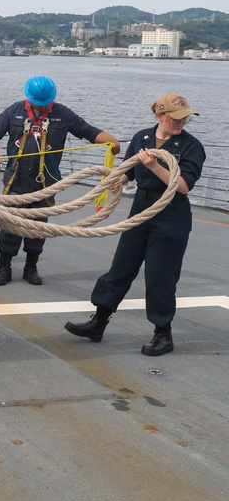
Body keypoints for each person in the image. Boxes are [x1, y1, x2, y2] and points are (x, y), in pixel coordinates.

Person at [65, 93, 205, 357]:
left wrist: (154, 166)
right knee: (120, 268)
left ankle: (163, 334)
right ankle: (98, 322)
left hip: (170, 214)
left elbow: (183, 186)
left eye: (185, 117)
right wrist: (122, 181)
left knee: (160, 277)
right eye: (176, 118)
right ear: (160, 116)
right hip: (140, 209)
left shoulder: (191, 146)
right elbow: (129, 170)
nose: (181, 122)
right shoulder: (142, 138)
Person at [0, 75, 119, 286]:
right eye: (39, 104)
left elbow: (89, 132)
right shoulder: (14, 111)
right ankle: (4, 266)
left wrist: (110, 141)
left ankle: (31, 266)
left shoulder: (62, 114)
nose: (42, 107)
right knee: (10, 223)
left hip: (45, 183)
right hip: (16, 181)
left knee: (39, 225)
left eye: (46, 103)